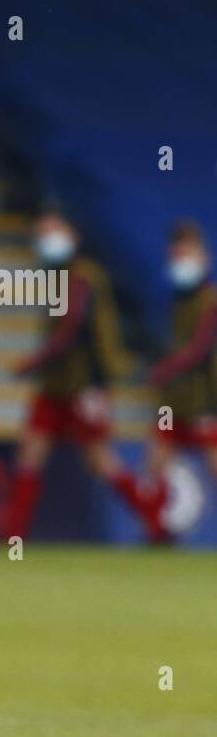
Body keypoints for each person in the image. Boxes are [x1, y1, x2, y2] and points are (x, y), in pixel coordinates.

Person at [3, 204, 163, 542]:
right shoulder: (57, 276)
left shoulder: (83, 276)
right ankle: (13, 535)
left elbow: (72, 326)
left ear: (73, 235)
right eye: (41, 234)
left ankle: (156, 523)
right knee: (30, 453)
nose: (46, 240)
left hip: (84, 386)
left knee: (99, 458)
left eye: (52, 232)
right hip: (55, 386)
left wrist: (36, 360)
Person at [144, 220, 217, 529]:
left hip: (205, 399)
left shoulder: (210, 300)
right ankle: (156, 531)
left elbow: (199, 348)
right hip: (175, 401)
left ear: (203, 258)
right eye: (175, 256)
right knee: (155, 464)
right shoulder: (175, 300)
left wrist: (166, 368)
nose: (180, 262)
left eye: (186, 254)